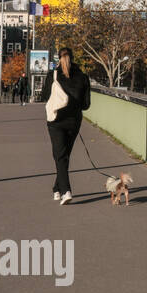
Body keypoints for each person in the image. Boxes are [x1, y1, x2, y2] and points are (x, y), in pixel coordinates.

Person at [45, 47, 91, 205]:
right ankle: (57, 188)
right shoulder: (83, 77)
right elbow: (86, 105)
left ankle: (66, 191)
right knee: (64, 156)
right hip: (74, 121)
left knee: (60, 156)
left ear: (59, 58)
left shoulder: (53, 75)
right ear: (73, 57)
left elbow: (45, 96)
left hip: (56, 120)